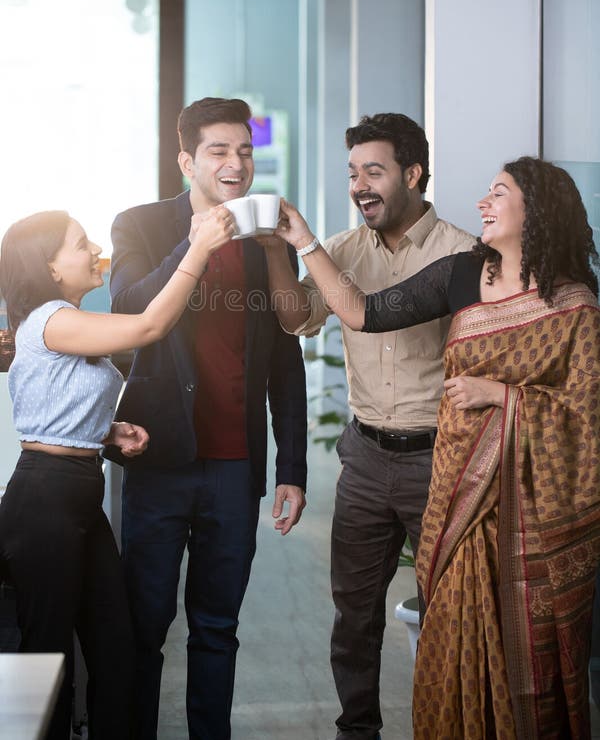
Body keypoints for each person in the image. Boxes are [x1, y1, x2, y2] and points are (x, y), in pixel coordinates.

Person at [277, 155, 600, 739]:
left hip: (530, 510)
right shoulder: (460, 272)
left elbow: (586, 415)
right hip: (459, 495)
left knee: (527, 636)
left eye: (498, 193)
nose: (483, 202)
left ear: (537, 211)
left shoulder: (575, 308)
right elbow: (364, 313)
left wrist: (502, 395)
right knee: (450, 624)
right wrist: (303, 241)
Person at [261, 113, 473, 740]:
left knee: (446, 611)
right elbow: (297, 317)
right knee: (353, 616)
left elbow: (368, 314)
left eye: (374, 171)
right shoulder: (344, 251)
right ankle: (359, 730)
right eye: (352, 173)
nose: (360, 186)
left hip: (437, 460)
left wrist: (302, 245)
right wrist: (277, 250)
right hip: (363, 461)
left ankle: (447, 725)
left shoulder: (461, 254)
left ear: (413, 173)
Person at [105, 96, 308, 740]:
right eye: (219, 151)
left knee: (217, 629)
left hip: (235, 467)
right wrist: (197, 244)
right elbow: (131, 311)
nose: (236, 163)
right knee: (145, 624)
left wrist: (292, 467)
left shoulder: (263, 242)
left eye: (245, 151)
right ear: (187, 160)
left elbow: (286, 356)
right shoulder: (138, 224)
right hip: (158, 459)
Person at [0, 205, 234, 740]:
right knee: (45, 659)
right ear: (51, 266)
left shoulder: (64, 323)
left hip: (78, 497)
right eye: (80, 243)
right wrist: (199, 246)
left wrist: (106, 432)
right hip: (44, 501)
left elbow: (49, 402)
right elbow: (150, 324)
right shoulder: (52, 320)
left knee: (115, 648)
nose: (94, 252)